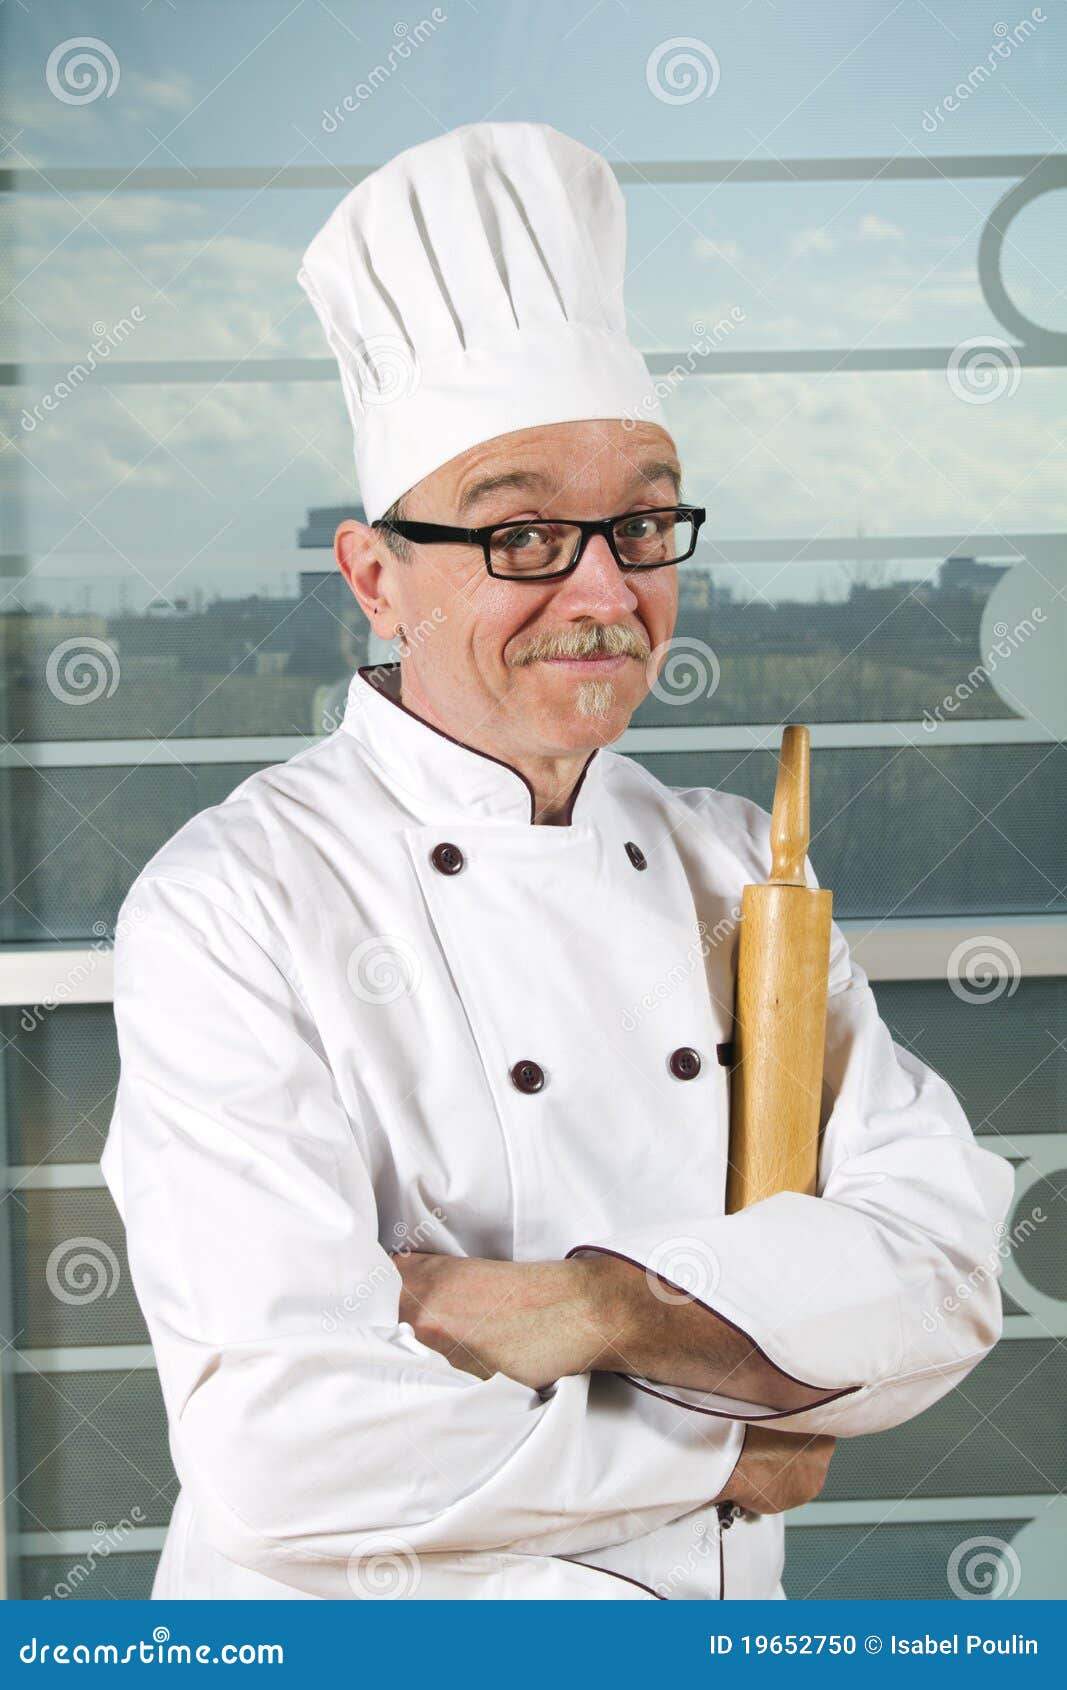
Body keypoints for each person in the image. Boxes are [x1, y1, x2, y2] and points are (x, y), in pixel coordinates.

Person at [100, 122, 1012, 1601]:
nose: (605, 588)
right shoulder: (233, 902)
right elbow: (283, 1453)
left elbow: (945, 1278)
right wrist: (730, 1437)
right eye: (524, 532)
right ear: (375, 576)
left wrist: (593, 1305)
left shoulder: (738, 864)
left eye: (642, 520)